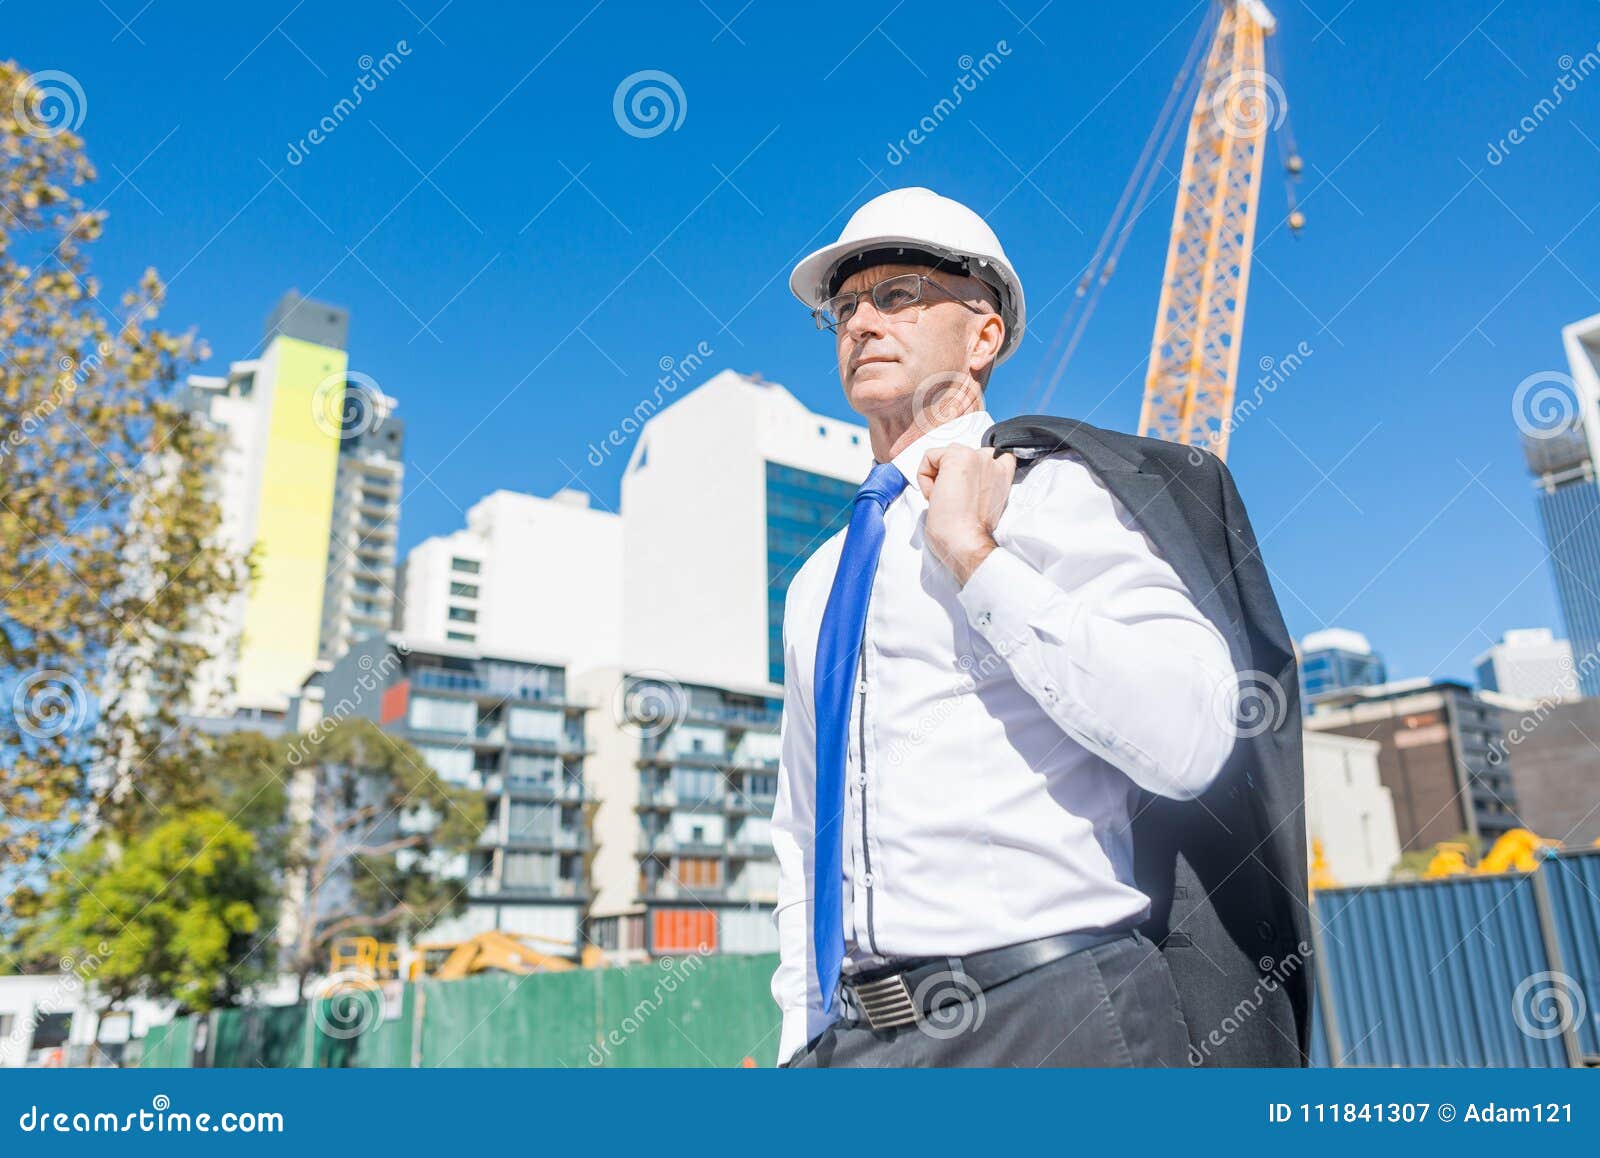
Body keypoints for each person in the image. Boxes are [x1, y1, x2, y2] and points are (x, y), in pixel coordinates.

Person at [771, 186, 1307, 1068]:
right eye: (845, 307)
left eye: (898, 295)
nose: (861, 321)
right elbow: (803, 824)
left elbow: (1194, 738)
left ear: (983, 337)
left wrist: (978, 561)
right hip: (857, 1045)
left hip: (1051, 1017)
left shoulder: (1058, 494)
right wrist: (802, 1033)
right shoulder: (819, 581)